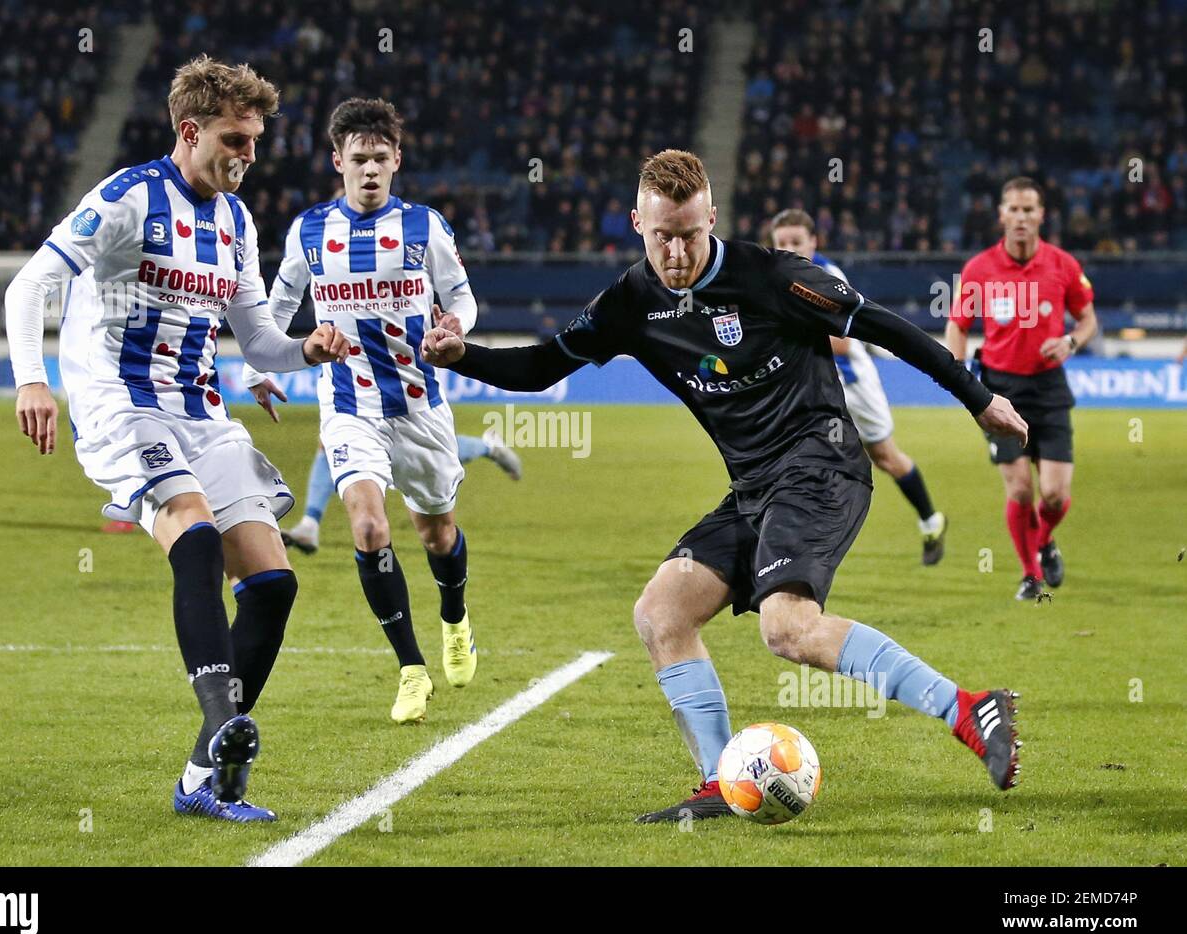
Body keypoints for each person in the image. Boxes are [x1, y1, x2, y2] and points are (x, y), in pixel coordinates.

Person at [422, 150, 1028, 822]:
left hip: (820, 465)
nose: (677, 253)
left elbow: (883, 325)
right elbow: (541, 367)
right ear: (637, 224)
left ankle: (967, 709)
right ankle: (720, 781)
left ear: (712, 216)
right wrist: (463, 356)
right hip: (752, 487)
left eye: (689, 234)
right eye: (662, 237)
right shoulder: (629, 302)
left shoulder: (772, 277)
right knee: (662, 614)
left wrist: (978, 398)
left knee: (787, 629)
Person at [4, 55, 349, 823]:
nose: (248, 155)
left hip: (201, 414)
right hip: (122, 405)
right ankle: (227, 722)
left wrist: (307, 349)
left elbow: (258, 341)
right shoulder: (126, 199)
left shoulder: (236, 222)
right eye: (234, 139)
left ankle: (201, 777)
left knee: (273, 583)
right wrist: (31, 380)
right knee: (194, 540)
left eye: (255, 141)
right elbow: (29, 286)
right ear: (190, 132)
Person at [246, 98, 480, 724]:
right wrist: (260, 367)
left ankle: (454, 618)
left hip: (419, 406)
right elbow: (278, 304)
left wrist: (457, 325)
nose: (369, 169)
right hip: (349, 405)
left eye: (380, 158)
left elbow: (462, 297)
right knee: (370, 528)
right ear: (338, 162)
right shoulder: (310, 231)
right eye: (358, 159)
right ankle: (411, 669)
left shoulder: (425, 227)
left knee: (437, 534)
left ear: (397, 160)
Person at [946, 177, 1098, 600]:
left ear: (1041, 215)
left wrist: (1070, 342)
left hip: (1049, 389)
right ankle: (1030, 575)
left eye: (1028, 209)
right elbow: (958, 325)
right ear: (1001, 215)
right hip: (1000, 390)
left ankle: (1045, 541)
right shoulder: (979, 269)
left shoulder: (1063, 265)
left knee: (1054, 495)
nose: (1020, 217)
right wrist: (960, 378)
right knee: (1019, 489)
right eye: (1013, 209)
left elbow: (1088, 320)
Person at [769, 210, 947, 564]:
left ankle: (931, 520)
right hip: (810, 384)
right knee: (793, 455)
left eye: (796, 242)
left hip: (850, 381)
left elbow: (841, 344)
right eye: (782, 243)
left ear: (814, 242)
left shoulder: (826, 278)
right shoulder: (772, 276)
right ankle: (786, 546)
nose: (789, 249)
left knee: (886, 457)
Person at [278, 428, 521, 554]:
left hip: (401, 376)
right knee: (330, 442)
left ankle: (488, 447)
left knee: (426, 451)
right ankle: (310, 524)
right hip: (354, 382)